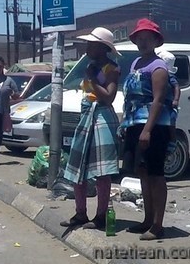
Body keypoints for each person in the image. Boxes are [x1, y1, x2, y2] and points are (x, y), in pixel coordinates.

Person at [60, 27, 121, 230]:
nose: (87, 47)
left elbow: (109, 96)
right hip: (87, 115)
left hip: (101, 115)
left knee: (102, 171)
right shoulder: (91, 65)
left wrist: (93, 79)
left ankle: (101, 215)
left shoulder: (111, 69)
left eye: (91, 44)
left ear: (102, 47)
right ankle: (80, 213)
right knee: (79, 167)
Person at [120, 18, 172, 241]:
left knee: (155, 174)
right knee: (142, 172)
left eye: (147, 38)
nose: (142, 42)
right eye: (139, 38)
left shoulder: (158, 67)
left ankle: (158, 225)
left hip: (153, 126)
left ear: (155, 41)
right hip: (134, 123)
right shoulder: (135, 64)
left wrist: (147, 130)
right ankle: (147, 219)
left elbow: (159, 100)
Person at [155, 49, 180, 157]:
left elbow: (177, 87)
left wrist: (175, 100)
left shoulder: (169, 76)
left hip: (168, 105)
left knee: (171, 122)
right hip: (161, 105)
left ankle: (173, 141)